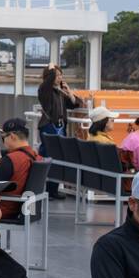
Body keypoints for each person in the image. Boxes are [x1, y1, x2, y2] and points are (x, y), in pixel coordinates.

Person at [37, 64, 81, 198]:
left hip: (60, 128)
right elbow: (47, 81)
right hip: (49, 126)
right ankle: (45, 189)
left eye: (61, 75)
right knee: (49, 158)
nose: (60, 77)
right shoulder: (45, 90)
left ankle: (52, 190)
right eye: (57, 75)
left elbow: (75, 103)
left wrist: (69, 92)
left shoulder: (60, 92)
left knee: (57, 159)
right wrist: (51, 69)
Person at [0, 118, 41, 219]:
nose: (3, 141)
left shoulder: (11, 160)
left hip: (2, 208)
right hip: (20, 207)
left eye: (3, 137)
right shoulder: (37, 158)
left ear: (12, 136)